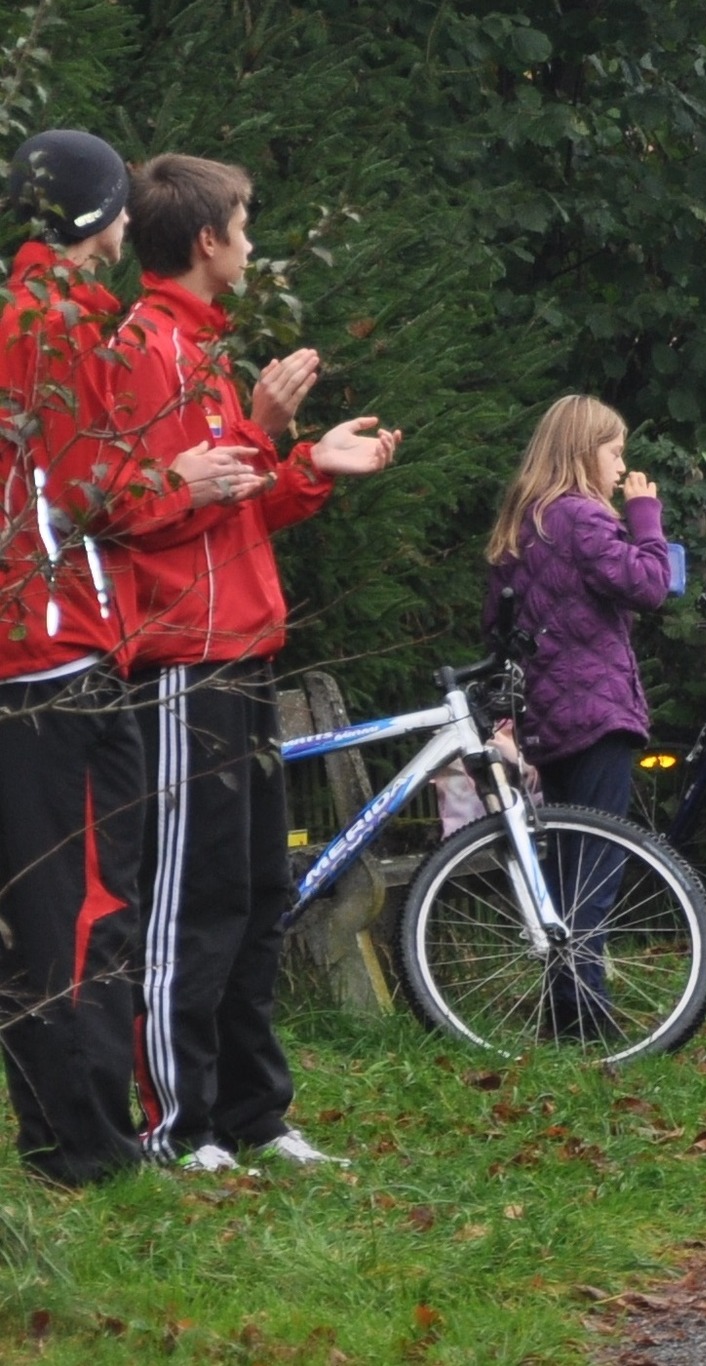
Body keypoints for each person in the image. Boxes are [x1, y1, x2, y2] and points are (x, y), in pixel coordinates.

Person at [105, 152, 400, 1172]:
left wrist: (306, 465)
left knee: (260, 892)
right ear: (205, 240)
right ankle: (178, 1125)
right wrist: (265, 435)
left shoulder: (206, 354)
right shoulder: (143, 348)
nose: (252, 238)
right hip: (183, 664)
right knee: (196, 899)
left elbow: (233, 498)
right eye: (245, 221)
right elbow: (129, 513)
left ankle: (255, 1115)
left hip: (243, 657)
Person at [0, 130, 255, 1185]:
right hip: (58, 653)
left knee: (38, 914)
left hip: (31, 653)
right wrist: (179, 482)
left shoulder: (25, 313)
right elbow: (84, 491)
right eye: (110, 216)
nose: (116, 239)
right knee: (86, 910)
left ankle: (65, 1137)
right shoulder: (51, 327)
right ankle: (89, 1151)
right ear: (92, 220)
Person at [483, 395, 671, 1039]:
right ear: (580, 452)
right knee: (595, 865)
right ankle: (585, 1013)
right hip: (597, 712)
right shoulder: (582, 519)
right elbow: (649, 586)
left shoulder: (521, 526)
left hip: (547, 718)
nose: (622, 467)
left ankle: (562, 1012)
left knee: (565, 866)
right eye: (614, 451)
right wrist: (646, 517)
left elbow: (495, 625)